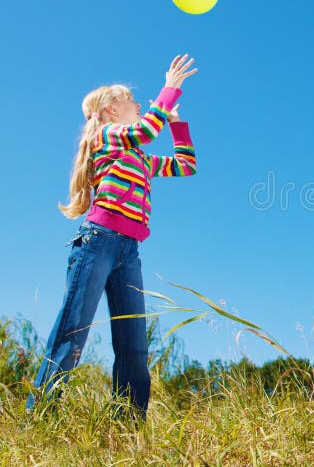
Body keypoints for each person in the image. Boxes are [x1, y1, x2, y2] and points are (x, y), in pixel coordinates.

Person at [27, 54, 198, 420]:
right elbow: (146, 130)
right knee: (72, 334)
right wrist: (169, 89)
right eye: (130, 100)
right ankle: (39, 416)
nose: (138, 104)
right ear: (109, 109)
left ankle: (128, 427)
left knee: (134, 346)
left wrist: (177, 123)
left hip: (128, 252)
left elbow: (186, 165)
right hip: (98, 243)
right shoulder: (108, 137)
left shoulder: (139, 156)